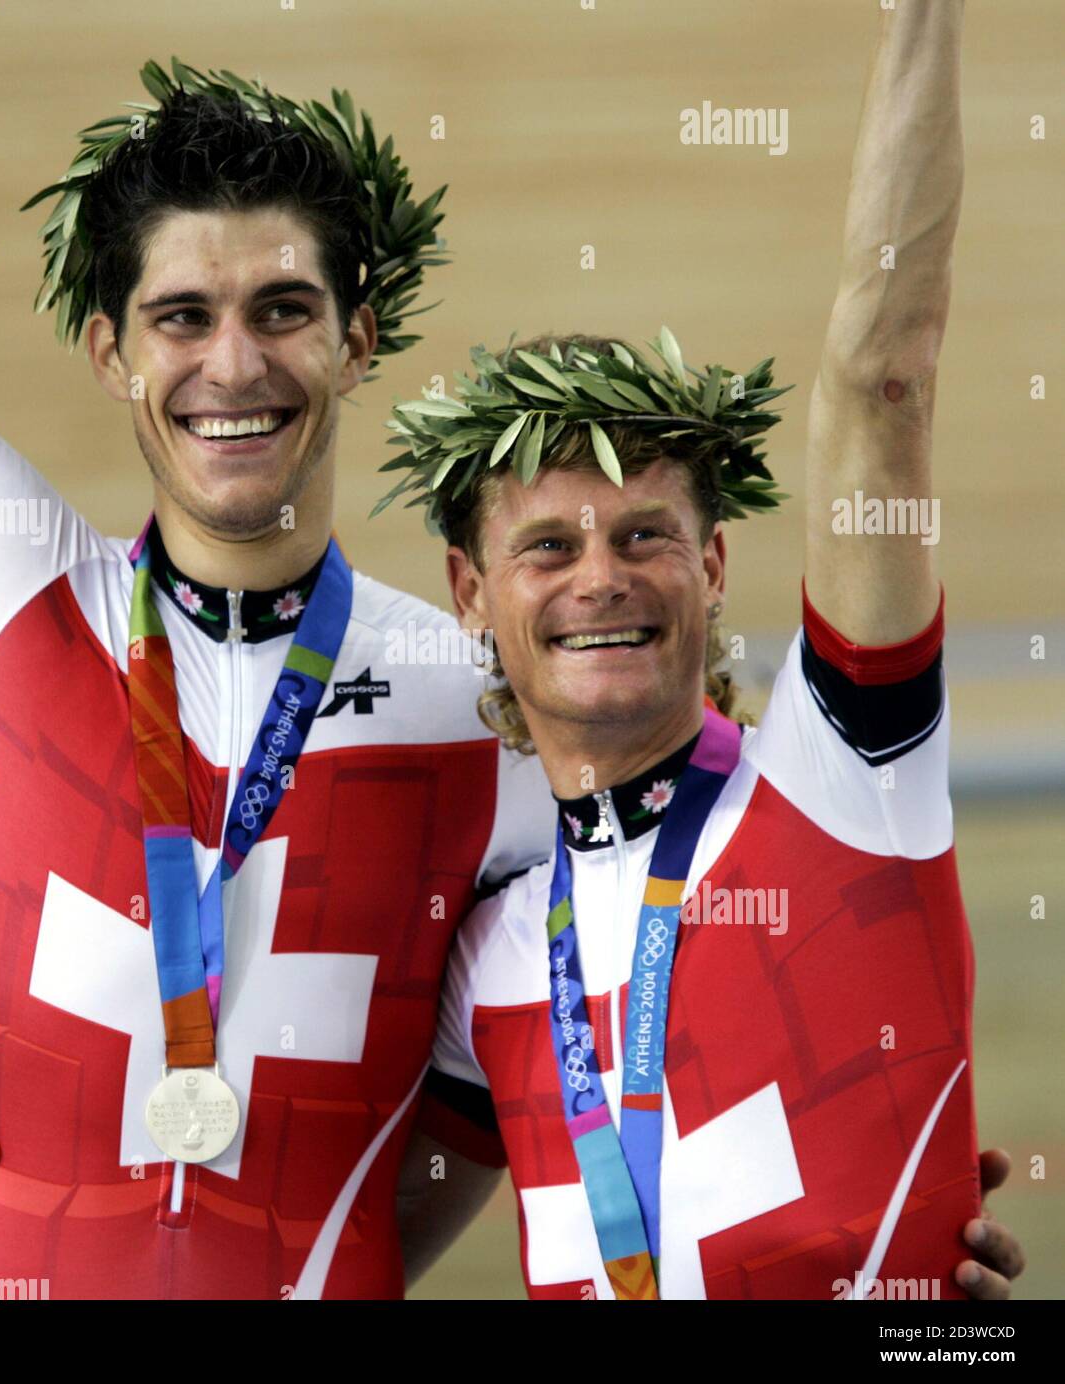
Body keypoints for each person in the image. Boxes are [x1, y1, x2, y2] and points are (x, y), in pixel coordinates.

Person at [0, 59, 553, 1300]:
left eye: (282, 309)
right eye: (181, 317)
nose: (233, 363)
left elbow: (720, 911)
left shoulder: (475, 705)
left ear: (355, 339)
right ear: (110, 350)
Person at [384, 1, 1022, 1299]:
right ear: (471, 593)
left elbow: (881, 372)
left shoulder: (841, 771)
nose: (601, 576)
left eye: (644, 533)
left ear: (716, 564)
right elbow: (324, 1248)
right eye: (548, 547)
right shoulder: (493, 955)